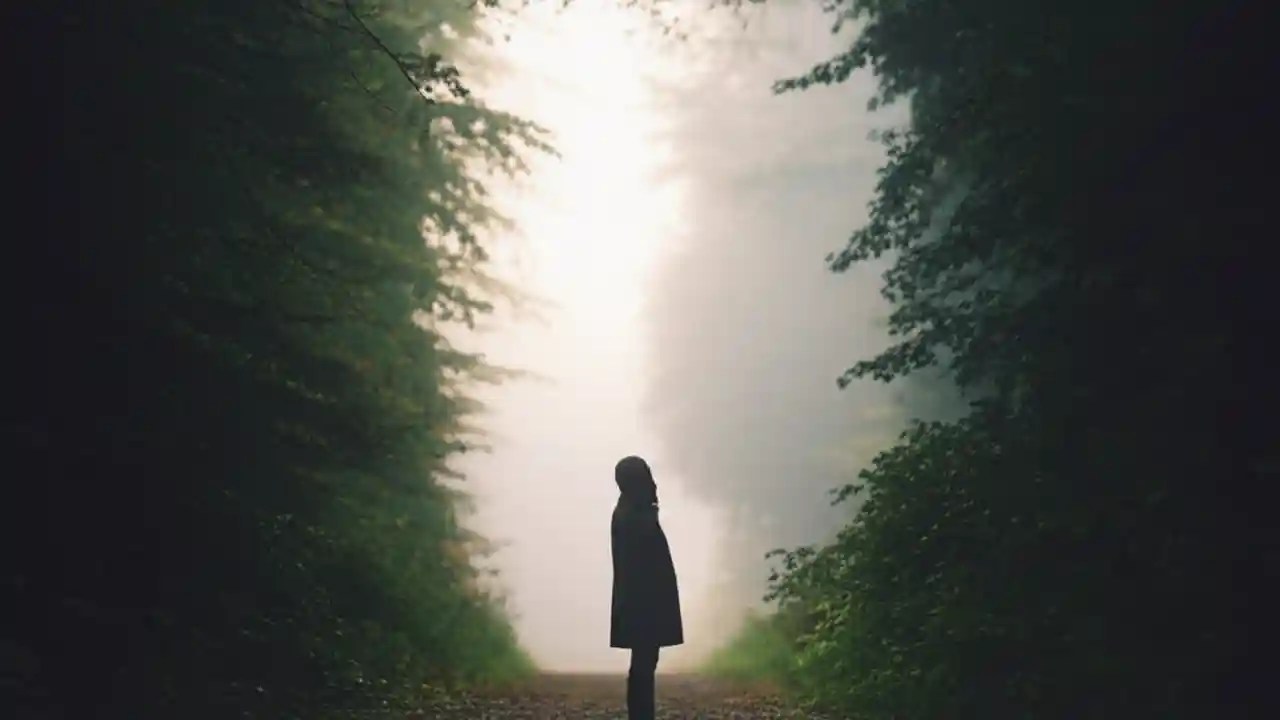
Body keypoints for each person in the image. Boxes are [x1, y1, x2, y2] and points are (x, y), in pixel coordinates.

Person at [610, 455, 683, 720]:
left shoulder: (630, 511)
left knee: (644, 662)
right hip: (642, 604)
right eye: (647, 476)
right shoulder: (634, 515)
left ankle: (642, 715)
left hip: (640, 602)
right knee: (643, 664)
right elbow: (644, 563)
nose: (653, 483)